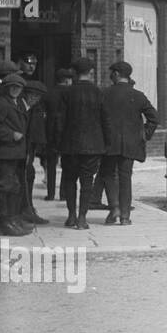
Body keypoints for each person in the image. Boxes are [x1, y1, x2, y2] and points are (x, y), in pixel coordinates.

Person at [100, 61, 158, 226]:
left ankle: (114, 208)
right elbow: (154, 118)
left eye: (112, 73)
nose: (110, 76)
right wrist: (144, 135)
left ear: (117, 74)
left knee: (107, 175)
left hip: (108, 142)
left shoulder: (104, 93)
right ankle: (125, 216)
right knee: (126, 177)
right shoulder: (138, 95)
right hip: (131, 144)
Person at [52, 57, 106, 229]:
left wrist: (58, 143)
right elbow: (106, 120)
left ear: (74, 73)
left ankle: (71, 215)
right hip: (92, 145)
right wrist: (106, 142)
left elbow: (59, 121)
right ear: (91, 72)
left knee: (69, 181)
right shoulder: (99, 93)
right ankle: (82, 218)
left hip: (70, 145)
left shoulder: (66, 93)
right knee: (87, 182)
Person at [0, 73, 35, 237]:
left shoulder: (16, 103)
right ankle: (5, 222)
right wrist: (11, 134)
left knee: (14, 187)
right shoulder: (1, 104)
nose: (15, 90)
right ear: (7, 88)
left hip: (14, 153)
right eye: (13, 87)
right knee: (4, 187)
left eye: (19, 87)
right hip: (2, 153)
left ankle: (13, 219)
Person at [20, 79, 51, 227]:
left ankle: (28, 209)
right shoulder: (20, 107)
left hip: (27, 150)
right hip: (17, 151)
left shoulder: (35, 109)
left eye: (38, 97)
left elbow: (35, 133)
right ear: (25, 94)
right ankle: (24, 211)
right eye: (32, 96)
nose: (35, 100)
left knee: (29, 175)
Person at [42, 68, 74, 200]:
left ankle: (50, 194)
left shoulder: (48, 93)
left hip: (50, 132)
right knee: (66, 165)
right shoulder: (71, 94)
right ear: (67, 80)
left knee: (51, 165)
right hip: (67, 132)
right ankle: (63, 194)